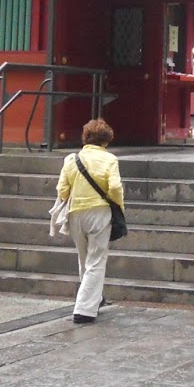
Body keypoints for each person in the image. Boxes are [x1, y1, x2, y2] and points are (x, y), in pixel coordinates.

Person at [55, 118, 124, 325]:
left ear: (85, 137)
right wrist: (118, 205)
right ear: (106, 140)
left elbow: (62, 189)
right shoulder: (109, 159)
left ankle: (95, 298)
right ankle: (84, 309)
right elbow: (115, 187)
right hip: (99, 212)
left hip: (75, 212)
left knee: (84, 258)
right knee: (96, 260)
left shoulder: (71, 160)